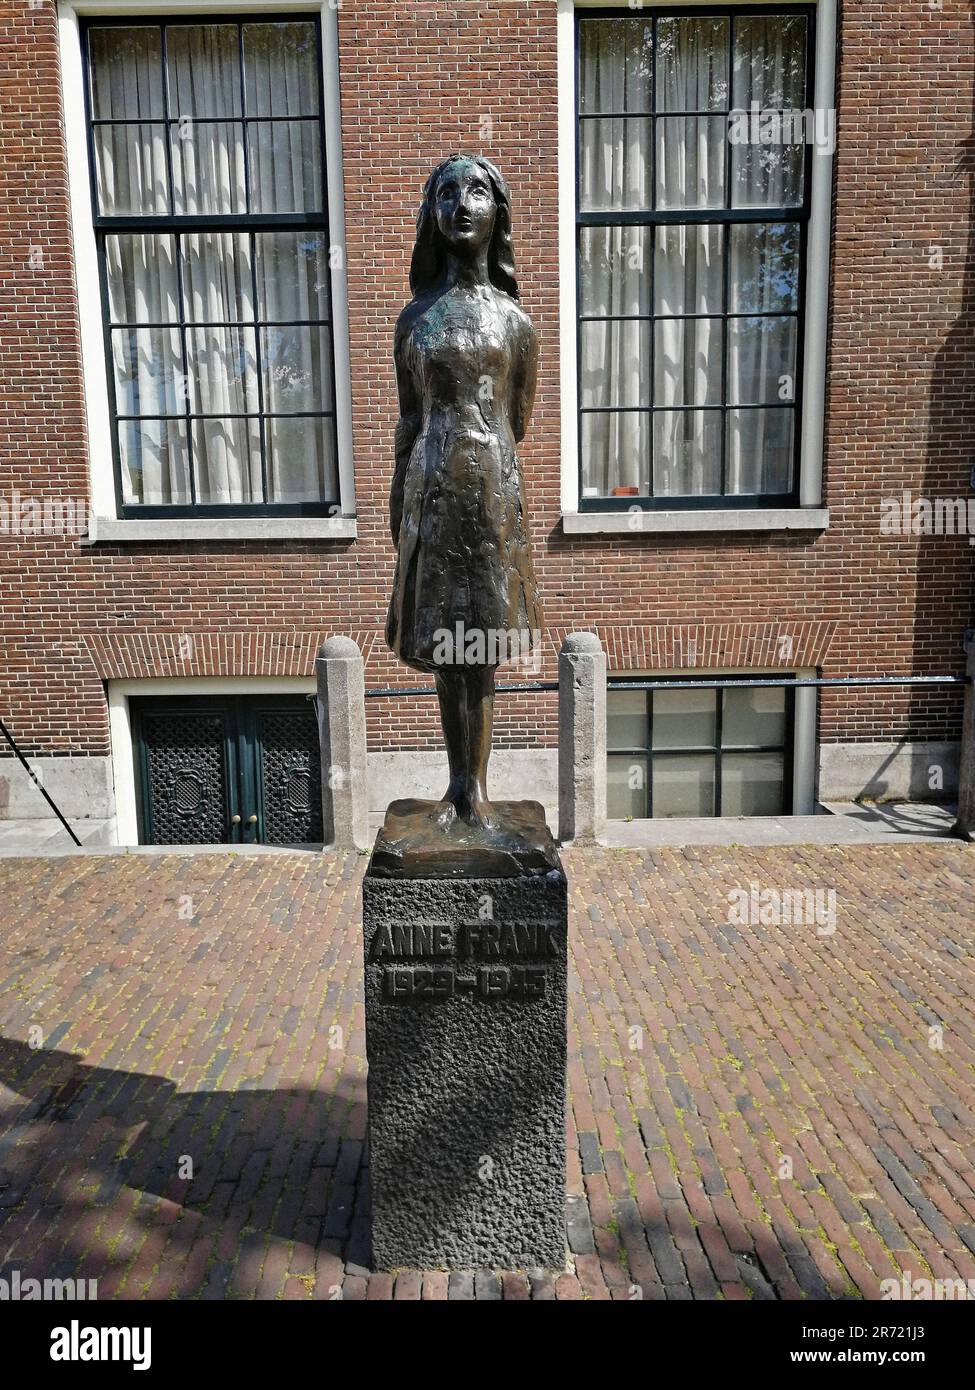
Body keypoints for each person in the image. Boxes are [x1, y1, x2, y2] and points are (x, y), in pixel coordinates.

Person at [386, 154, 542, 834]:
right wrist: (401, 501)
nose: (462, 204)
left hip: (489, 496)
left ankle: (476, 788)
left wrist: (485, 476)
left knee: (480, 651)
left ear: (497, 211)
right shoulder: (414, 319)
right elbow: (410, 419)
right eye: (446, 193)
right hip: (429, 493)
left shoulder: (514, 324)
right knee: (444, 650)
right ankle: (454, 784)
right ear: (431, 215)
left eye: (477, 191)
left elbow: (519, 420)